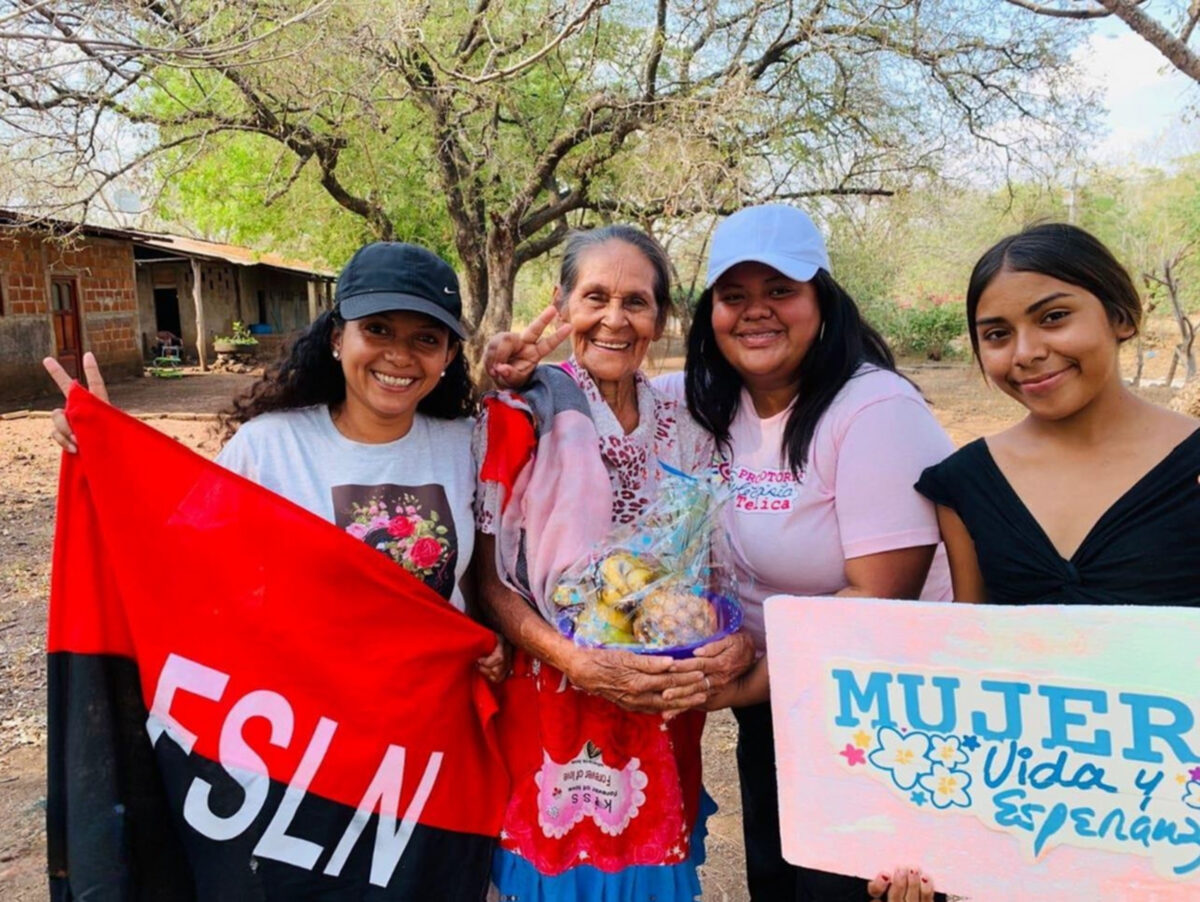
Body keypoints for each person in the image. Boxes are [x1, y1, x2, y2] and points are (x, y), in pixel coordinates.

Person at [485, 205, 948, 902]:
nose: (756, 313)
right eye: (735, 297)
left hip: (873, 708)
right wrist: (502, 378)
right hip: (762, 707)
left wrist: (738, 676)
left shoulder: (868, 410)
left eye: (781, 292)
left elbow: (879, 602)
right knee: (778, 876)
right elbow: (488, 552)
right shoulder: (686, 404)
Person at [45, 241, 505, 681]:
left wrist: (492, 641)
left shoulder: (467, 445)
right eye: (377, 329)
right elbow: (178, 553)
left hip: (436, 722)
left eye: (425, 339)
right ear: (337, 337)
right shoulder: (269, 447)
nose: (399, 355)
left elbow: (478, 577)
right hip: (308, 723)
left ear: (447, 355)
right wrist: (110, 453)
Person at [474, 224, 758, 901]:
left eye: (635, 301)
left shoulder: (689, 417)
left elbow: (710, 562)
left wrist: (731, 642)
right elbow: (489, 579)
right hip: (551, 696)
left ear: (660, 318)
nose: (614, 318)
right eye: (595, 296)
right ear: (563, 303)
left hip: (661, 706)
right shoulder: (520, 408)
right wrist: (578, 660)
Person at [916, 223, 1200, 605]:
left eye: (1054, 317)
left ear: (1122, 318)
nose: (1026, 353)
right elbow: (971, 644)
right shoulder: (964, 483)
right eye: (998, 334)